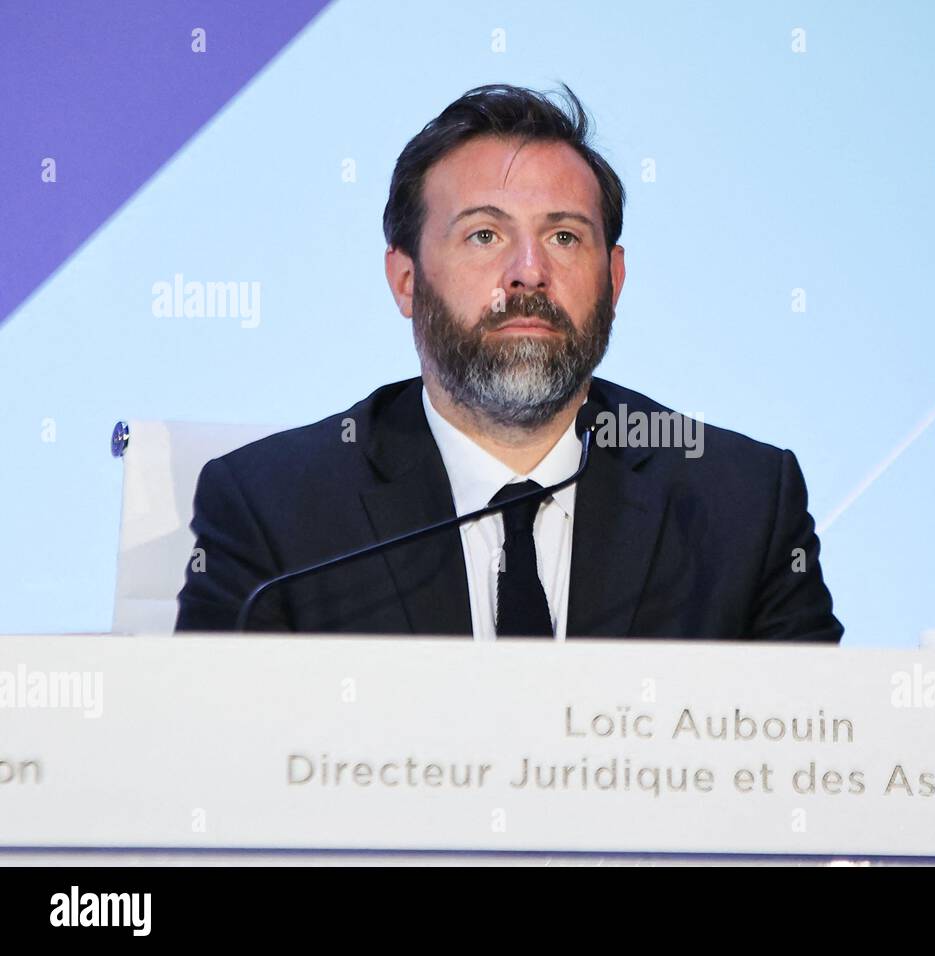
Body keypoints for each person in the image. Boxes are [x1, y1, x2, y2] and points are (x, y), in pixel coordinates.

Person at [175, 83, 842, 643]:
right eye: (485, 234)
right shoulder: (274, 513)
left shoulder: (741, 504)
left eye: (563, 236)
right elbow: (216, 763)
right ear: (406, 280)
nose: (528, 273)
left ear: (614, 277)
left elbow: (818, 764)